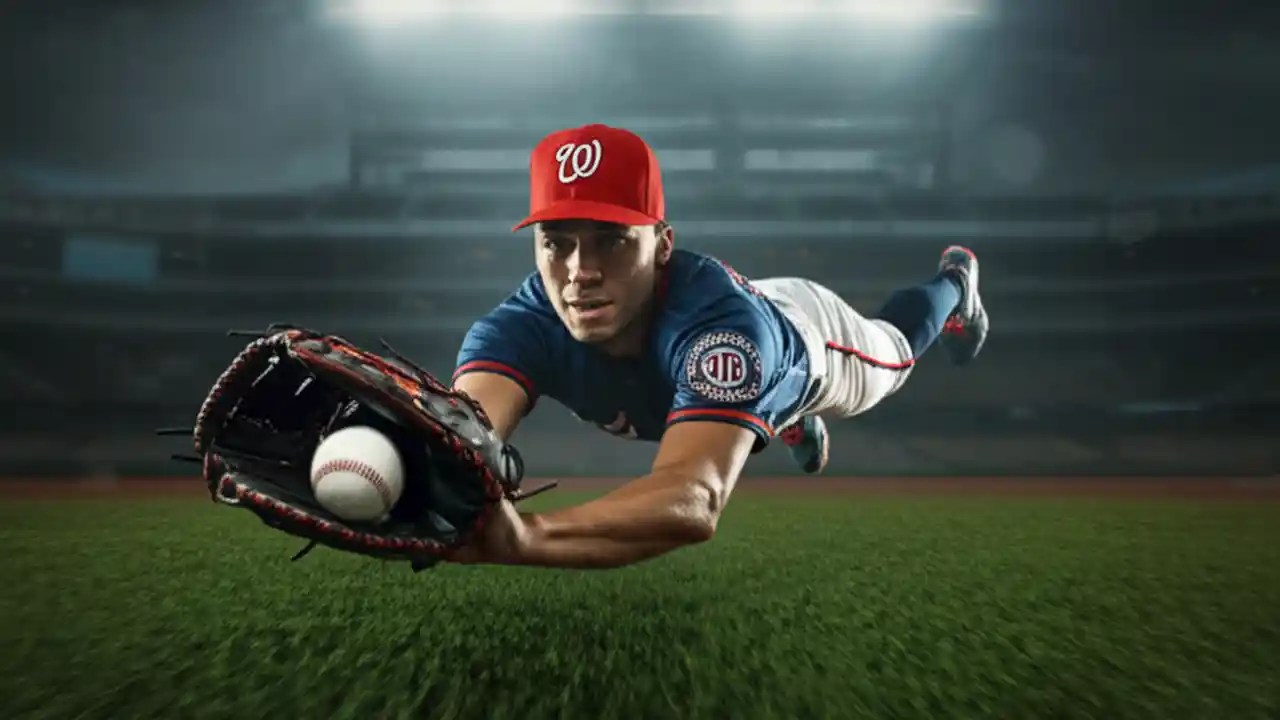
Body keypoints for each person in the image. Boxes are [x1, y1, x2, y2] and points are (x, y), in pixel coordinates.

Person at [446, 124, 988, 569]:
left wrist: (527, 536)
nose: (580, 271)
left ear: (663, 244)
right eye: (556, 243)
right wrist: (433, 463)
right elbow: (462, 434)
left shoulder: (726, 338)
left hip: (808, 334)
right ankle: (775, 421)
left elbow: (693, 498)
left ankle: (956, 286)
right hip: (729, 348)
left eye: (611, 240)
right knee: (725, 405)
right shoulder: (520, 325)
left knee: (894, 354)